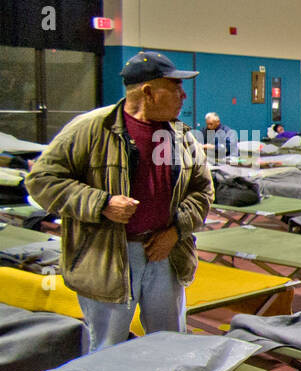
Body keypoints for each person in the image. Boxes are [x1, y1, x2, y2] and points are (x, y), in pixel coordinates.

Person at [25, 50, 213, 352]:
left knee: (171, 345)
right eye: (175, 88)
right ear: (148, 92)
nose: (183, 96)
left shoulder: (181, 136)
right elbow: (42, 181)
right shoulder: (90, 129)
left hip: (166, 254)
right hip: (107, 258)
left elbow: (203, 192)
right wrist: (101, 204)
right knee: (108, 348)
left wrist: (176, 231)